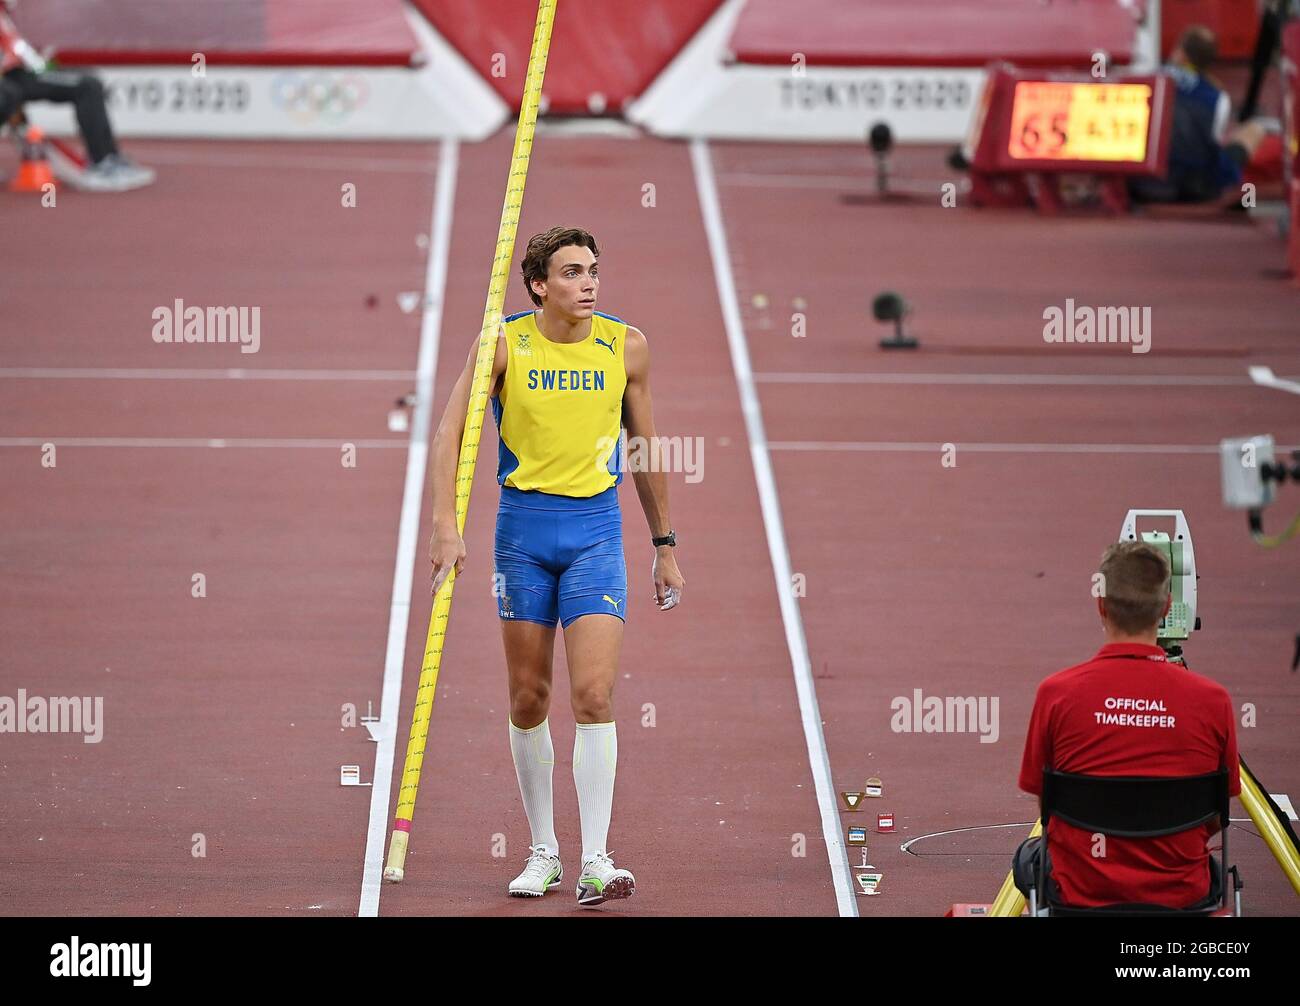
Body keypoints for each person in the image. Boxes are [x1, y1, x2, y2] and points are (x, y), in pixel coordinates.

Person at [427, 226, 685, 906]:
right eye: (573, 272)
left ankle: (595, 860)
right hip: (522, 537)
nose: (590, 282)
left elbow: (647, 449)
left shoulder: (626, 347)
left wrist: (665, 546)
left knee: (594, 694)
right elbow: (448, 432)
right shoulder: (503, 344)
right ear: (540, 284)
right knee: (528, 696)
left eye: (594, 269)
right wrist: (446, 527)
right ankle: (543, 851)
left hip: (597, 533)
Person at [1016, 541, 1239, 909]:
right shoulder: (1213, 701)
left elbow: (1048, 810)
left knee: (1028, 861)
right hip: (1182, 895)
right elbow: (1217, 816)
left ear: (1101, 605)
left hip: (1082, 893)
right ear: (1167, 608)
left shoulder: (1056, 694)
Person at [0, 0, 154, 191]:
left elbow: (16, 50)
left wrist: (39, 63)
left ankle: (106, 159)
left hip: (19, 74)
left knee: (88, 83)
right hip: (9, 80)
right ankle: (103, 163)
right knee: (9, 93)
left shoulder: (5, 14)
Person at [1130, 25, 1268, 204]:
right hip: (1195, 187)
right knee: (1254, 129)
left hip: (1142, 181)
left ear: (1179, 51)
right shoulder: (1218, 97)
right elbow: (1213, 143)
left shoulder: (1147, 80)